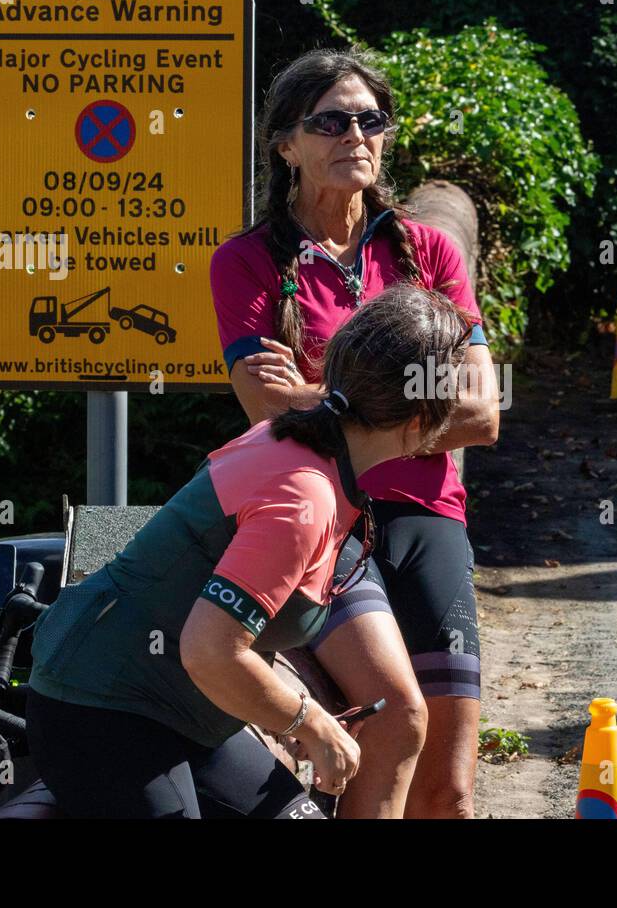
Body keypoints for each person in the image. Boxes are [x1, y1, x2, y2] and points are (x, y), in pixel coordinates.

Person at [25, 284, 473, 818]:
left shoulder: (305, 446)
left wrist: (297, 711)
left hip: (185, 714)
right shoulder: (304, 493)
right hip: (98, 710)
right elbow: (212, 649)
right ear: (423, 424)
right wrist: (310, 722)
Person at [210, 46, 501, 818]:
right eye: (331, 122)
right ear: (286, 144)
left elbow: (483, 413)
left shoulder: (426, 251)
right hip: (321, 521)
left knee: (451, 791)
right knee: (375, 738)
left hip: (426, 518)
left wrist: (321, 396)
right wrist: (420, 404)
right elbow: (264, 414)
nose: (356, 136)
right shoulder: (247, 263)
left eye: (371, 121)